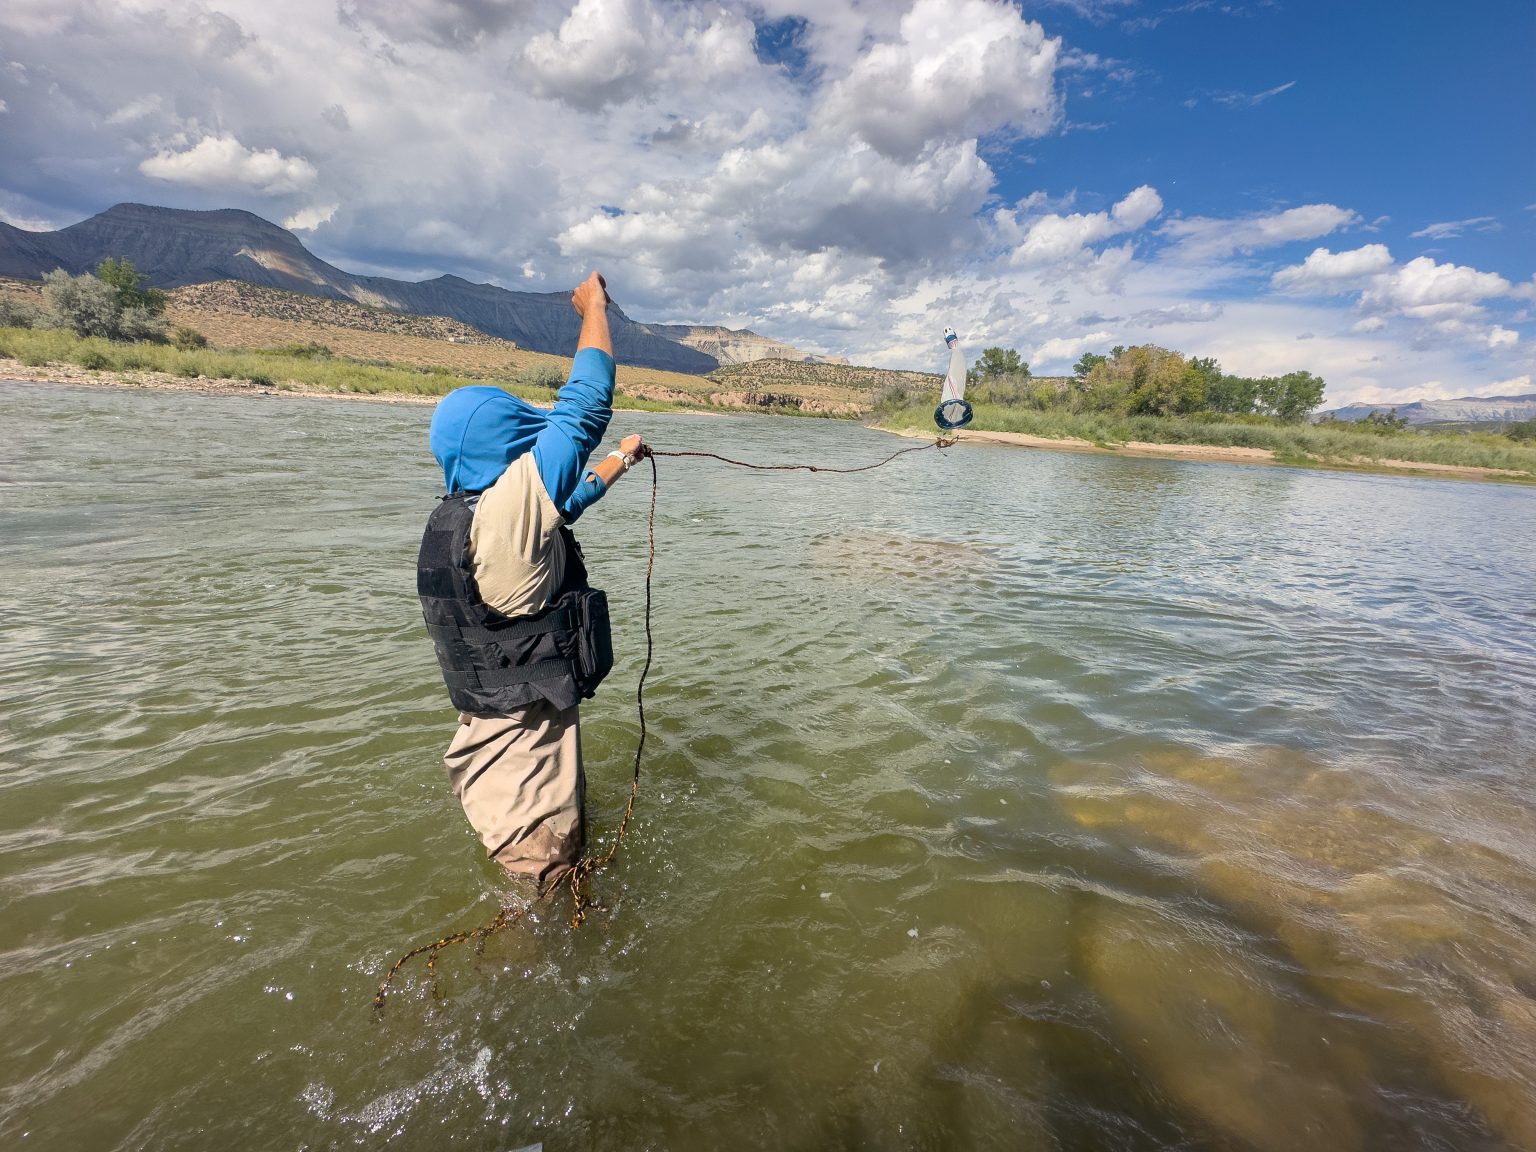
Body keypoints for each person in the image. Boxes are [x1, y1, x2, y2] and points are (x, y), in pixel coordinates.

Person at [417, 271, 647, 887]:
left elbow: (570, 501)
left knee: (551, 897)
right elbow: (583, 409)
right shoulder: (506, 512)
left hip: (495, 756)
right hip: (525, 777)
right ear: (509, 446)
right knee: (546, 913)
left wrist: (623, 459)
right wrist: (593, 310)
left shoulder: (469, 519)